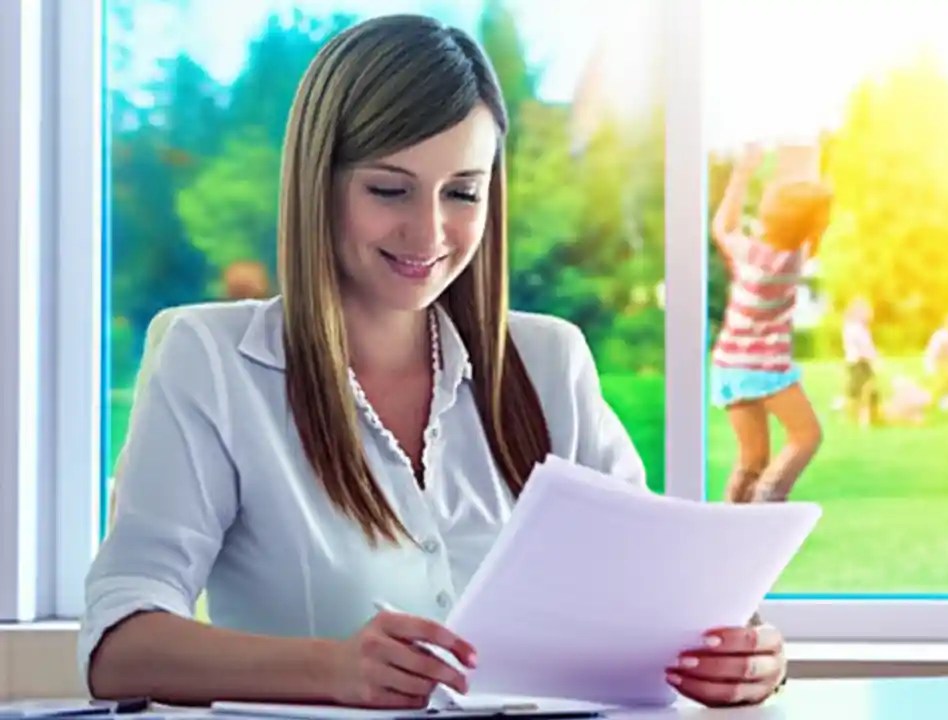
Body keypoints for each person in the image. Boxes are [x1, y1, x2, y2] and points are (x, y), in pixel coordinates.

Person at [81, 16, 787, 710]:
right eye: (389, 190)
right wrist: (333, 670)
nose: (428, 231)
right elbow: (119, 647)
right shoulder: (211, 361)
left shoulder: (550, 361)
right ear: (319, 184)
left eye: (462, 192)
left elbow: (660, 592)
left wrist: (744, 654)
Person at [709, 143, 831, 504]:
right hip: (766, 368)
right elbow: (813, 221)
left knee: (751, 459)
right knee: (806, 436)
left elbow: (722, 227)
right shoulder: (792, 260)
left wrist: (742, 173)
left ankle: (729, 527)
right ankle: (769, 498)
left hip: (729, 367)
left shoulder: (749, 256)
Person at [837, 297, 879, 427]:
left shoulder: (860, 328)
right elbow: (861, 348)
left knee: (860, 391)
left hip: (862, 362)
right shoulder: (854, 328)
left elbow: (868, 347)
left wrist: (874, 357)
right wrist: (872, 357)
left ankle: (861, 417)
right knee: (861, 391)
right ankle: (861, 418)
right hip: (858, 363)